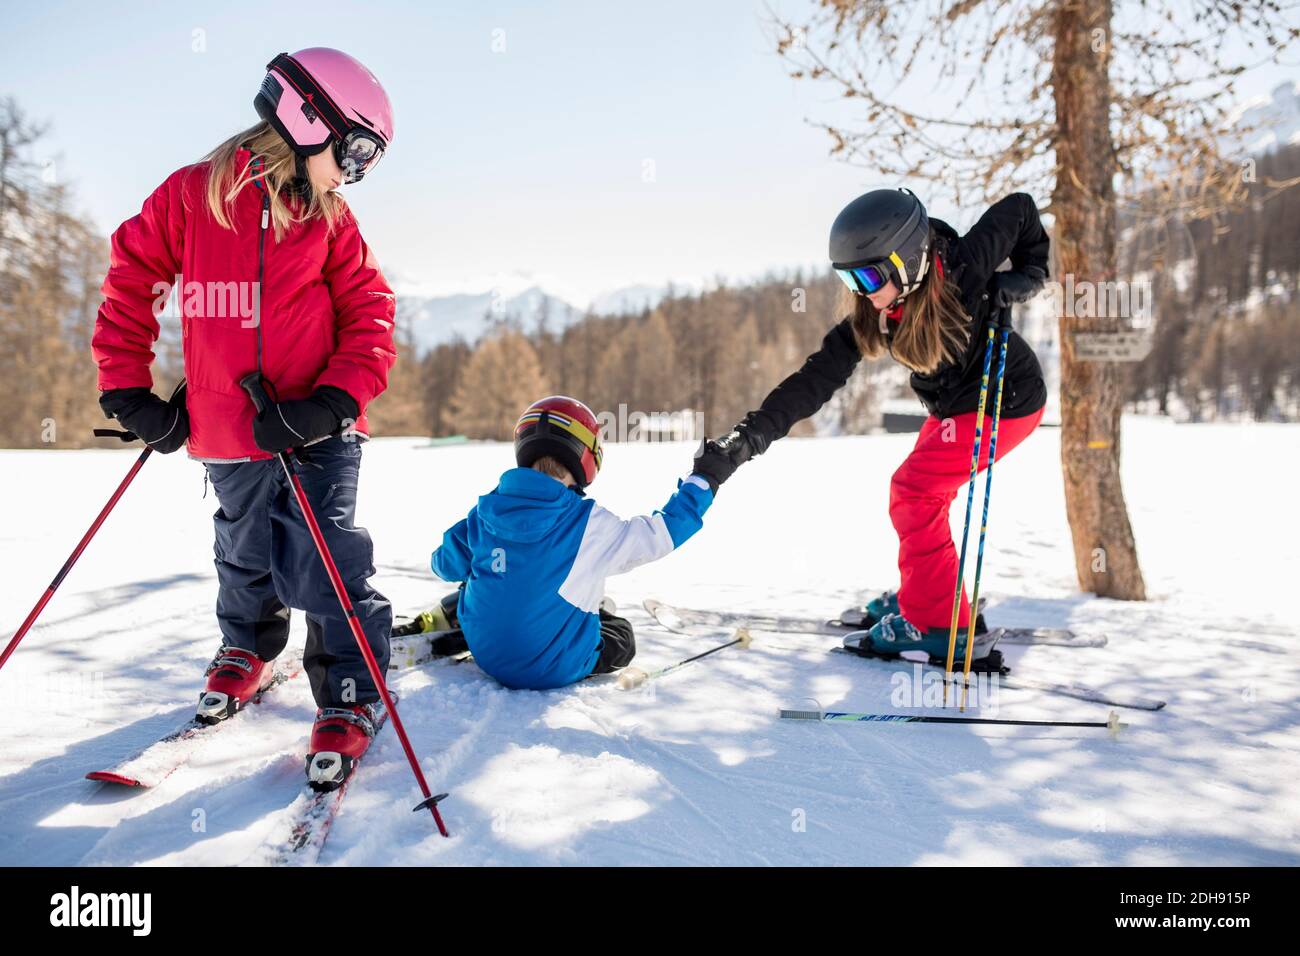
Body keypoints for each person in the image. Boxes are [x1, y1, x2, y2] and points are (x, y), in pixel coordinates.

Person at [91, 48, 398, 790]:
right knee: (242, 551)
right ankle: (248, 646)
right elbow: (132, 279)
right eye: (355, 150)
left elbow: (370, 312)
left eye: (369, 159)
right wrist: (129, 389)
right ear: (307, 116)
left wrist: (331, 402)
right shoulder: (193, 196)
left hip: (315, 429)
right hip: (229, 429)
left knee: (326, 557)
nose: (354, 172)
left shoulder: (328, 217)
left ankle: (351, 686)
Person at [693, 188, 1049, 661]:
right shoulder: (875, 310)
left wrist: (1029, 276)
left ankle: (940, 626)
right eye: (848, 278)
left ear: (908, 260)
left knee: (914, 492)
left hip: (1005, 401)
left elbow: (1021, 209)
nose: (860, 290)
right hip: (957, 409)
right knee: (922, 493)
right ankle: (928, 593)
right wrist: (746, 440)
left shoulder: (963, 266)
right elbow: (813, 381)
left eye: (868, 275)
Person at [424, 396, 713, 690]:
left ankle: (477, 624)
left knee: (485, 573)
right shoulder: (589, 524)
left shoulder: (485, 513)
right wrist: (704, 479)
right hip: (550, 668)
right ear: (589, 455)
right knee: (621, 636)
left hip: (487, 654)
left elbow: (443, 565)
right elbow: (661, 533)